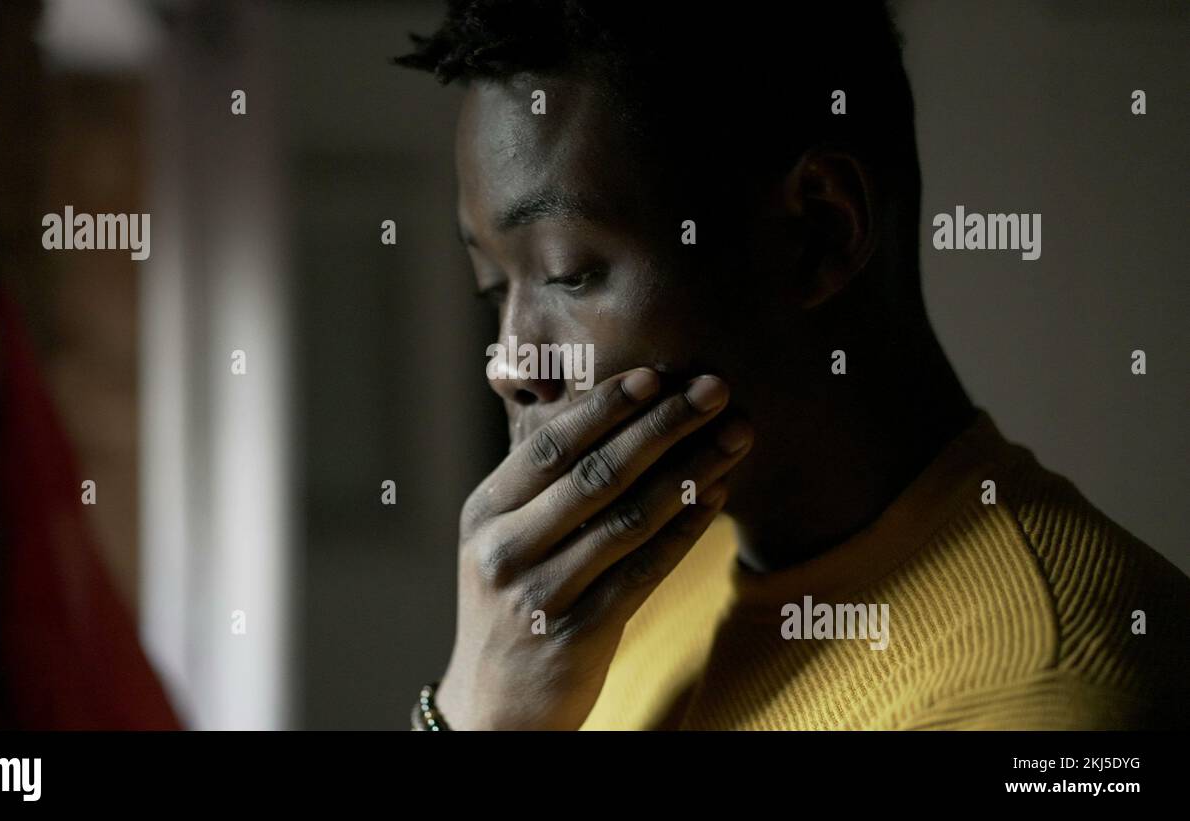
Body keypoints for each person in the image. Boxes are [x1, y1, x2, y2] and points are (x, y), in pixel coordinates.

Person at [394, 0, 1190, 730]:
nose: (508, 362)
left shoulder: (1042, 704)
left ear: (817, 233)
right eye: (493, 287)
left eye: (569, 270)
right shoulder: (617, 589)